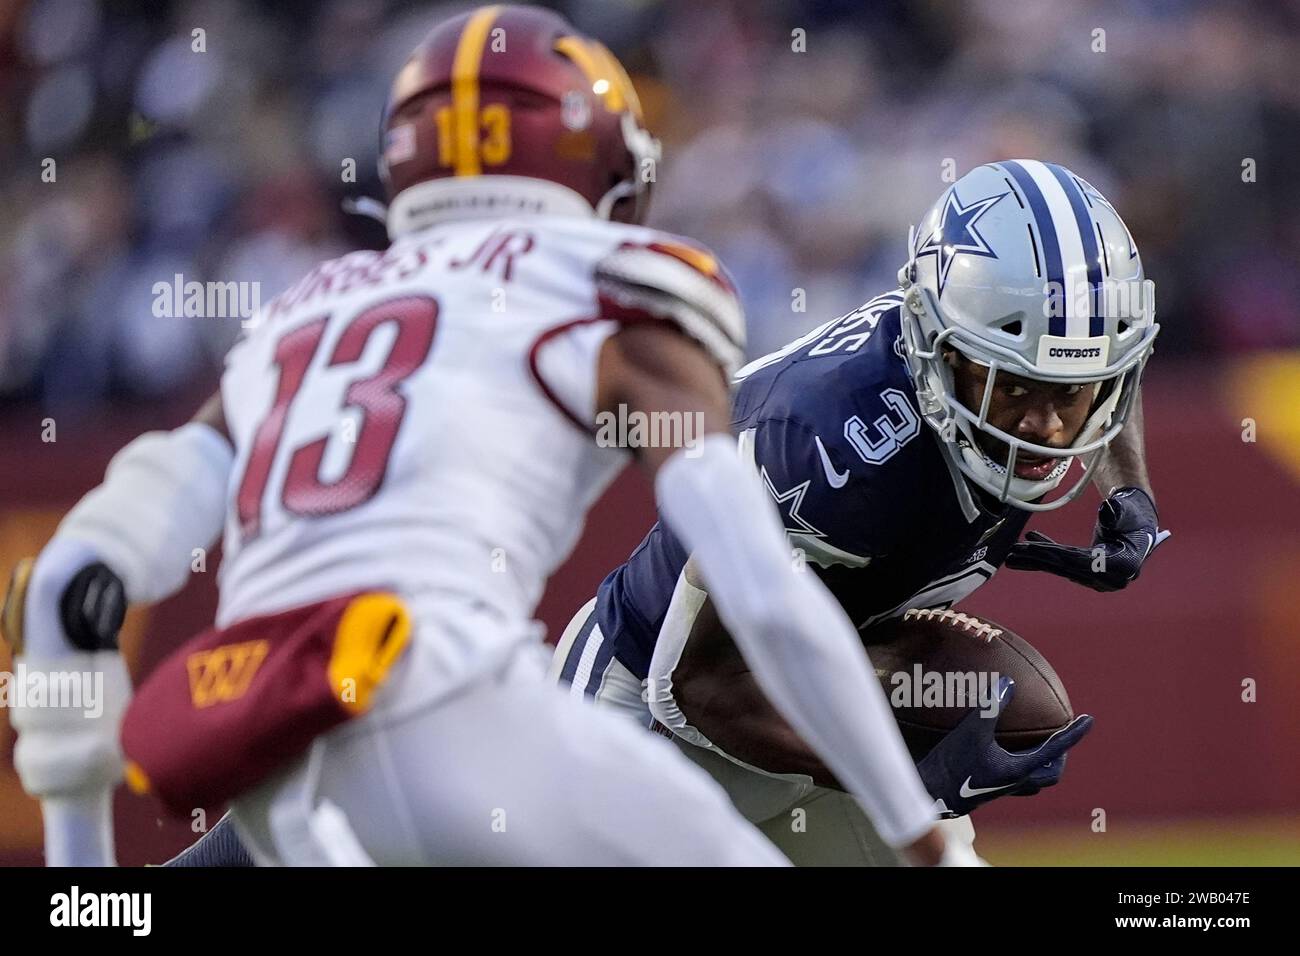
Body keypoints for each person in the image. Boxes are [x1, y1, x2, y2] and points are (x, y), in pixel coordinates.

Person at [0, 5, 976, 867]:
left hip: (271, 745)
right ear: (591, 157)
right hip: (458, 711)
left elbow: (68, 584)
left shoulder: (305, 311)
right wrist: (921, 835)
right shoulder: (612, 280)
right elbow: (756, 584)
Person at [551, 160, 1169, 864]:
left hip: (822, 713)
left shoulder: (1016, 360)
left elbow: (1106, 369)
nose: (1049, 429)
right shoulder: (831, 445)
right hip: (651, 724)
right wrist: (909, 788)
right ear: (942, 351)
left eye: (1072, 391)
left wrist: (1130, 493)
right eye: (1016, 387)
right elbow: (695, 686)